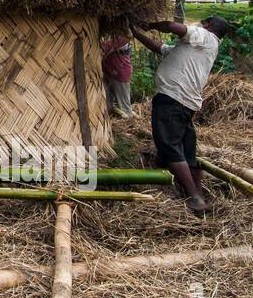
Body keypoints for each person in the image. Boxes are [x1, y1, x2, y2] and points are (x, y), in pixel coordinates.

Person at [130, 15, 233, 214]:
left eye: (201, 22)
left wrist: (149, 23)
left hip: (173, 99)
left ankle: (194, 197)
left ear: (208, 25)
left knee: (169, 146)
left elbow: (171, 26)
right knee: (187, 150)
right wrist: (136, 34)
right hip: (185, 103)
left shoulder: (204, 37)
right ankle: (198, 195)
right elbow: (159, 48)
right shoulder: (193, 48)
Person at [100, 34, 134, 118]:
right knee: (108, 99)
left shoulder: (123, 37)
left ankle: (128, 122)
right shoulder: (114, 36)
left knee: (124, 104)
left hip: (120, 73)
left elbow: (104, 47)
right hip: (108, 71)